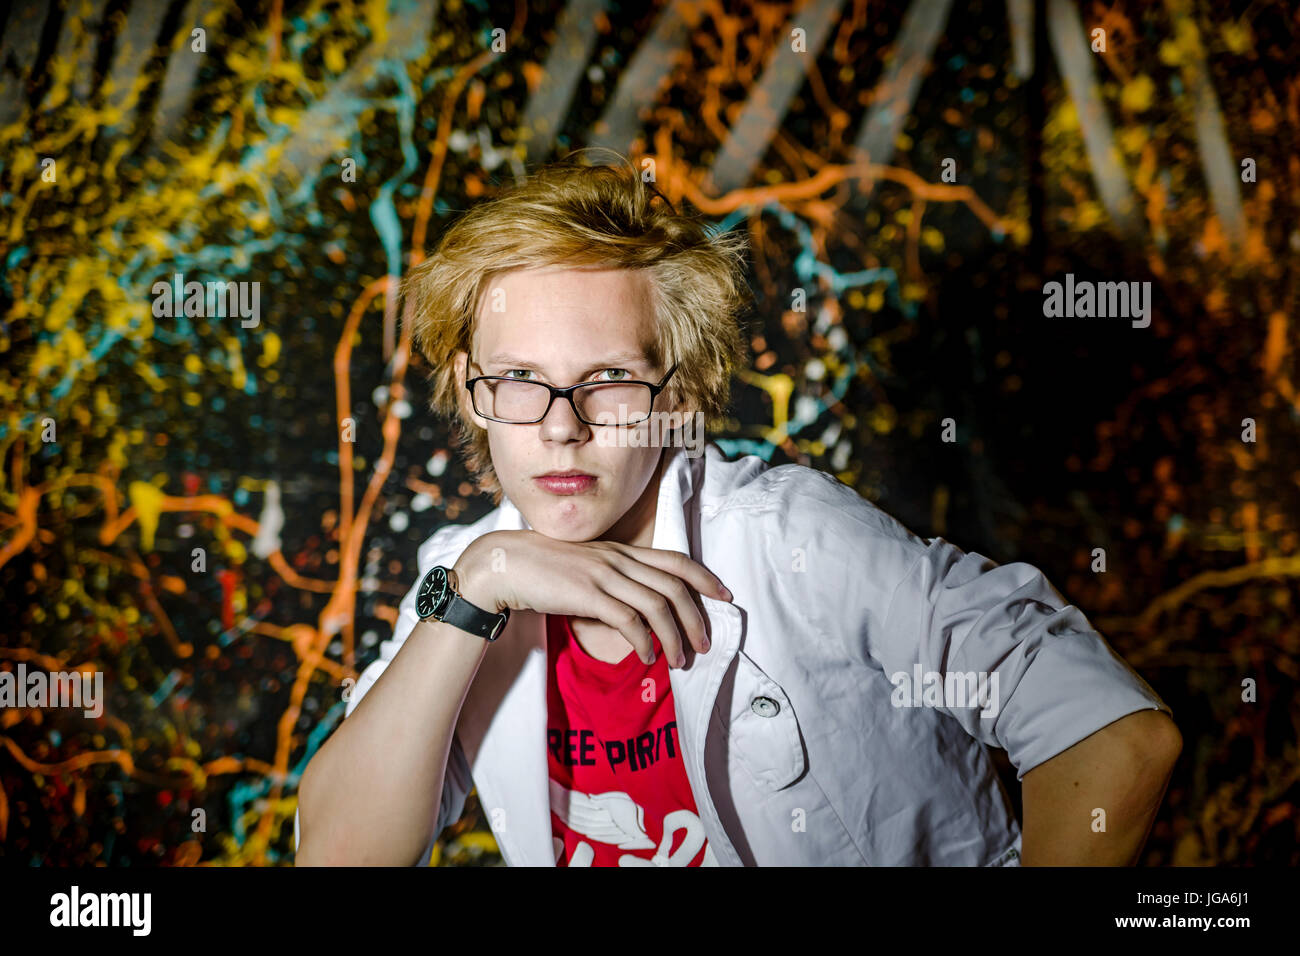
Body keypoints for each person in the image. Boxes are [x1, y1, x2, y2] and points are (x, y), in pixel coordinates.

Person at [295, 159, 1181, 867]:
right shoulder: (467, 573)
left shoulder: (790, 540)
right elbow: (339, 854)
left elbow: (1118, 737)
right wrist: (480, 583)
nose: (560, 430)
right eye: (520, 380)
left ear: (677, 390)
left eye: (607, 380)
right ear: (468, 389)